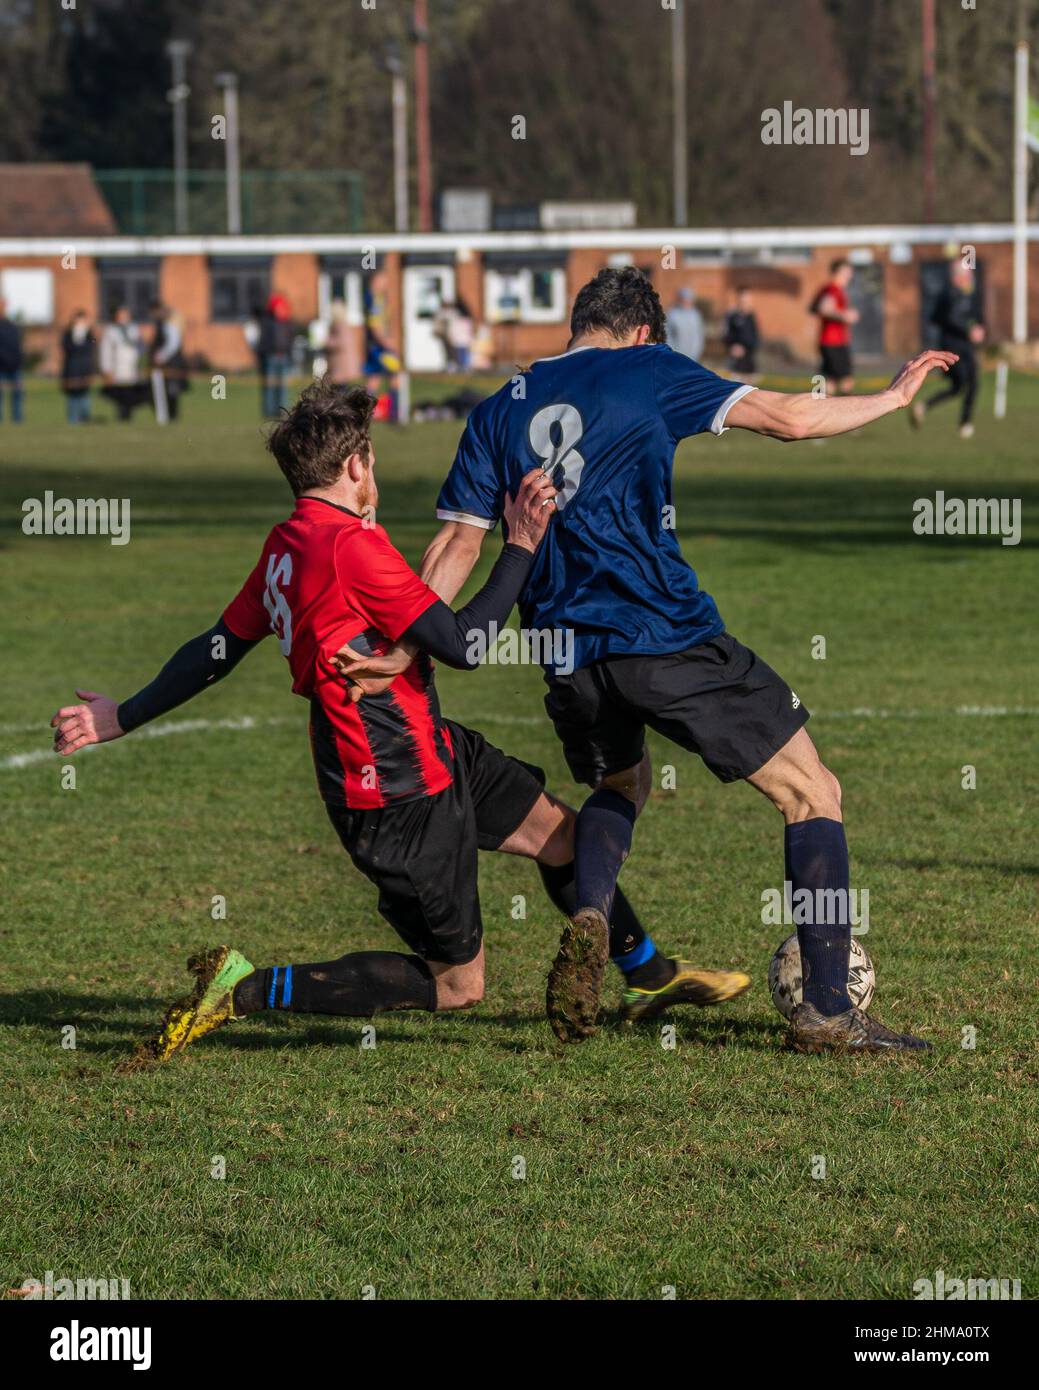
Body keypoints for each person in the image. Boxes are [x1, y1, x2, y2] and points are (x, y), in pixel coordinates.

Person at [344, 267, 957, 1053]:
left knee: (618, 782)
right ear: (641, 332)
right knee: (813, 792)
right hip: (665, 634)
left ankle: (593, 911)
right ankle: (828, 1013)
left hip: (565, 650)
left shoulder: (499, 408)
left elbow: (458, 541)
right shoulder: (651, 369)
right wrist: (890, 397)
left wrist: (401, 639)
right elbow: (790, 419)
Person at [50, 380, 748, 1067]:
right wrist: (522, 543)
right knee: (458, 985)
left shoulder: (288, 543)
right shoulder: (350, 550)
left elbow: (216, 647)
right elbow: (467, 645)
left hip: (427, 745)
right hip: (393, 783)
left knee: (561, 836)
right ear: (356, 466)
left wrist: (123, 715)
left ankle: (649, 973)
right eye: (373, 459)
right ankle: (246, 987)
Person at [911, 260, 985, 440]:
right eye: (967, 274)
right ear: (957, 276)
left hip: (966, 345)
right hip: (951, 346)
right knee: (961, 382)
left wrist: (979, 327)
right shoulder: (948, 295)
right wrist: (968, 330)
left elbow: (975, 315)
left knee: (969, 384)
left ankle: (964, 422)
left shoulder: (969, 294)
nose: (970, 277)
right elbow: (948, 318)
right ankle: (925, 407)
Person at [812, 258, 858, 395]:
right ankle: (846, 414)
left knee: (828, 381)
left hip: (831, 341)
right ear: (840, 271)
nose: (851, 273)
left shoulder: (831, 288)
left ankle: (816, 406)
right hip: (833, 342)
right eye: (848, 270)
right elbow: (824, 308)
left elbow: (814, 308)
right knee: (846, 382)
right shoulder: (833, 289)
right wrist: (845, 315)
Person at [99, 305, 146, 422]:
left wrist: (141, 364)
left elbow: (141, 348)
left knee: (131, 395)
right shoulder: (110, 331)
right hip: (117, 369)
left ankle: (129, 417)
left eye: (125, 315)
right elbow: (105, 352)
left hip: (132, 369)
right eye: (121, 315)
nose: (123, 318)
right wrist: (107, 370)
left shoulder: (134, 330)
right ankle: (121, 417)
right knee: (119, 396)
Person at [148, 301, 189, 422]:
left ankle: (171, 417)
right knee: (165, 392)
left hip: (171, 363)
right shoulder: (165, 322)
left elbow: (173, 344)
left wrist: (160, 356)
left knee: (171, 392)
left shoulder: (170, 323)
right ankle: (167, 417)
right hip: (169, 362)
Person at [258, 293, 294, 417]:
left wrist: (289, 354)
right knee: (270, 386)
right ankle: (269, 410)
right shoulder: (267, 321)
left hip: (284, 357)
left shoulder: (287, 322)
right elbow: (264, 341)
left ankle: (282, 410)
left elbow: (290, 339)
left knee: (283, 387)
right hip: (271, 357)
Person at [60, 309, 96, 424]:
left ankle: (85, 419)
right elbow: (67, 348)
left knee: (85, 396)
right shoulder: (68, 334)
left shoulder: (90, 335)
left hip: (85, 369)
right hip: (72, 369)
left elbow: (93, 345)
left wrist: (89, 332)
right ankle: (73, 421)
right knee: (73, 397)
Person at [723, 288, 760, 378]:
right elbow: (726, 335)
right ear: (738, 300)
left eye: (747, 301)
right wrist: (733, 346)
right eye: (743, 300)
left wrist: (746, 349)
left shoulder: (752, 317)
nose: (745, 303)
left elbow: (755, 338)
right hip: (734, 360)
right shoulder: (731, 316)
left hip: (749, 360)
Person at [0, 297, 24, 424]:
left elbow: (17, 346)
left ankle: (17, 420)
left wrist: (18, 361)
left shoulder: (12, 326)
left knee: (18, 394)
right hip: (1, 367)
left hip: (14, 366)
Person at [665, 286, 704, 361]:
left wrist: (697, 351)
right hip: (675, 356)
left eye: (689, 299)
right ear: (679, 299)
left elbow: (699, 335)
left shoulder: (695, 315)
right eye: (684, 299)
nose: (686, 301)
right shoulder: (672, 314)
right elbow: (667, 335)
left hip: (693, 356)